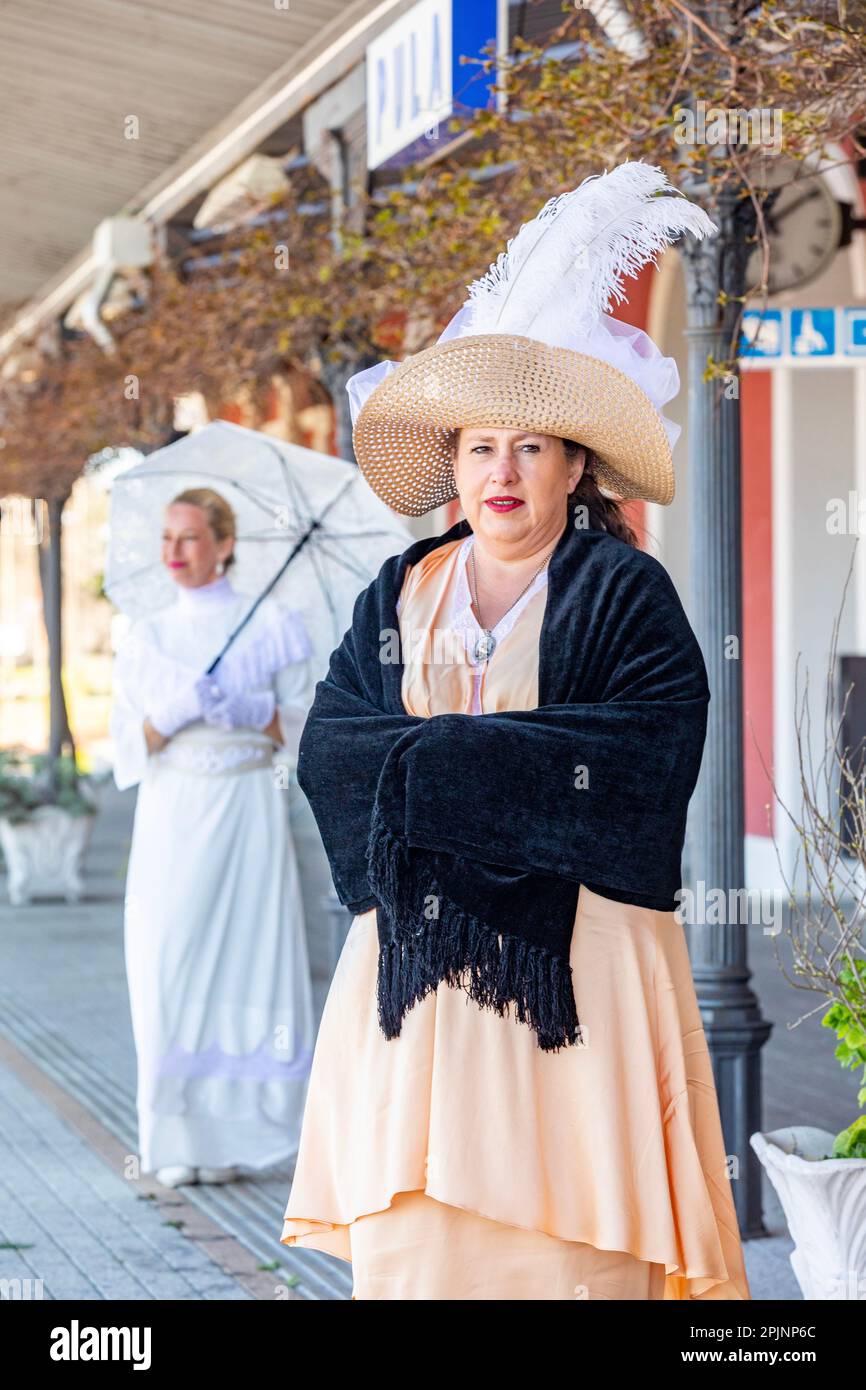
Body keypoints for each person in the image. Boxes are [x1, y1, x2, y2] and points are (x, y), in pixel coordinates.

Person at [279, 161, 752, 1299]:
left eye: (531, 449)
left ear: (573, 466)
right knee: (427, 1232)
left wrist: (436, 766)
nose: (503, 471)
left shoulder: (621, 590)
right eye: (482, 447)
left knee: (565, 1246)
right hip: (422, 959)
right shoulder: (399, 592)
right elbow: (330, 750)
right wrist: (482, 770)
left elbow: (645, 751)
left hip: (574, 961)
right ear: (451, 462)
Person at [110, 486, 316, 1188]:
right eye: (167, 538)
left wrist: (257, 711)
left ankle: (240, 1135)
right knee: (169, 962)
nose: (173, 552)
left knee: (244, 962)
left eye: (189, 537)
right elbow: (124, 750)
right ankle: (174, 1135)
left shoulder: (275, 625)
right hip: (172, 818)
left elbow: (314, 730)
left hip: (249, 814)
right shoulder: (147, 636)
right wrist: (171, 712)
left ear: (225, 544)